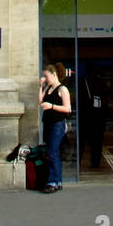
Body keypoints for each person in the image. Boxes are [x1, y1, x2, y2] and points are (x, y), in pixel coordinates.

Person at [38, 63, 71, 193]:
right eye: (44, 77)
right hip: (47, 122)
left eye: (46, 76)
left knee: (52, 151)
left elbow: (67, 109)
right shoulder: (48, 88)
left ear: (54, 74)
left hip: (58, 123)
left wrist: (51, 106)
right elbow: (40, 102)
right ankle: (58, 181)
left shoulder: (62, 89)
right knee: (53, 152)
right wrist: (41, 86)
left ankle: (52, 182)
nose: (45, 79)